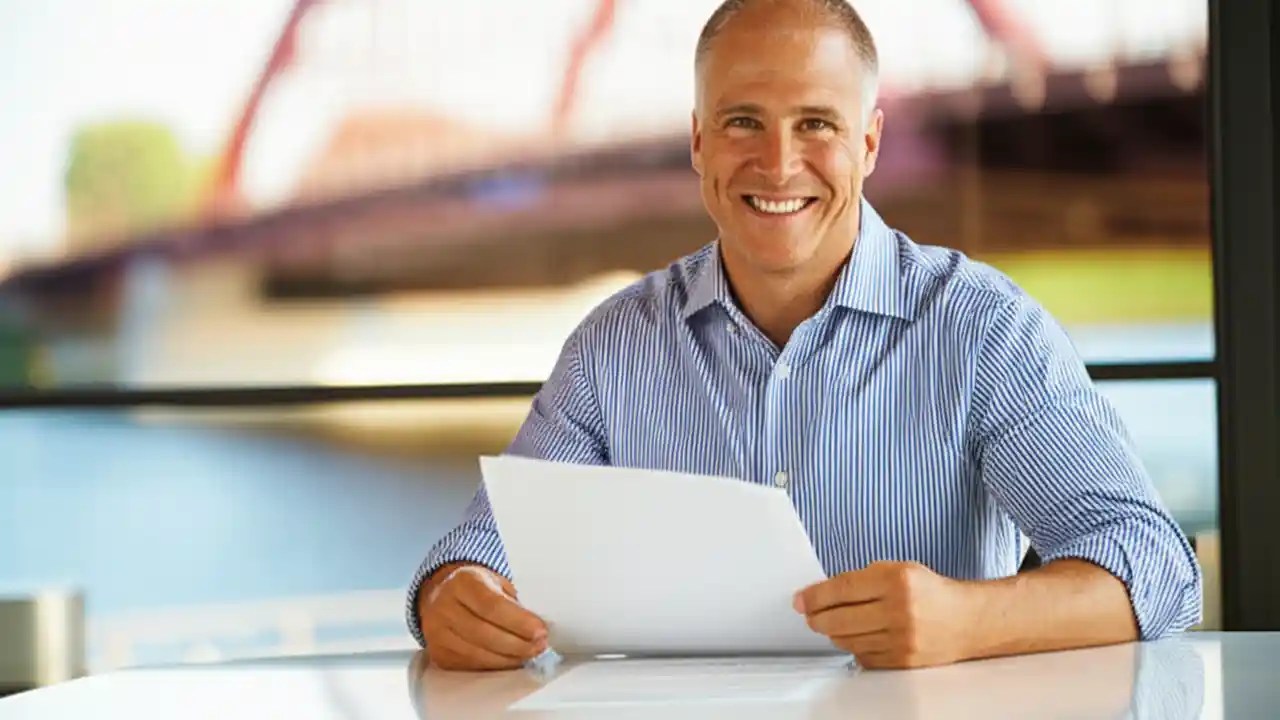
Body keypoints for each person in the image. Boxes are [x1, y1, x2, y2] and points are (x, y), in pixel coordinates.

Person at [407, 0, 1203, 671]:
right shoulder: (612, 346)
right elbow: (483, 548)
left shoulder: (983, 331)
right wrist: (450, 594)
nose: (779, 163)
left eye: (816, 123)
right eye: (743, 121)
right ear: (698, 142)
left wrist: (969, 621)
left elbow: (1160, 569)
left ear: (869, 143)